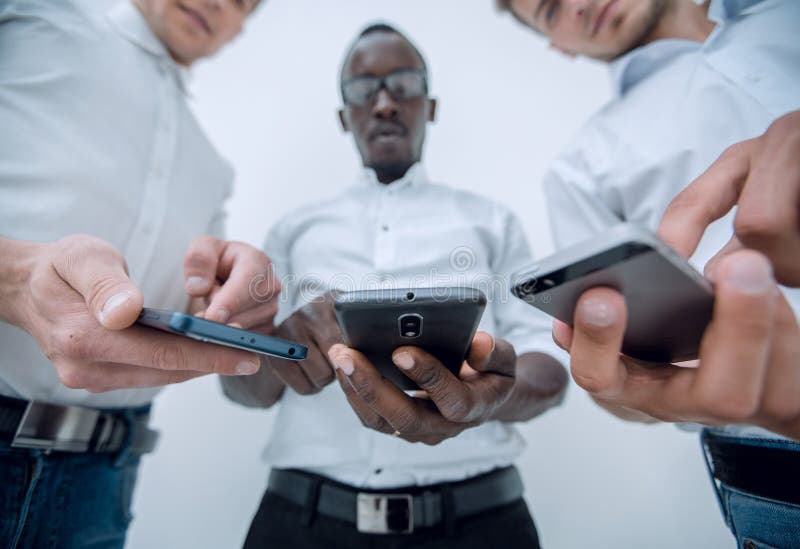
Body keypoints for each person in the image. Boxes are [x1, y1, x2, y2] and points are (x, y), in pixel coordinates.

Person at [221, 23, 568, 548]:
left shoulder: (493, 222)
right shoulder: (292, 231)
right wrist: (275, 351)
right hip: (300, 524)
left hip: (480, 525)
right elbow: (239, 387)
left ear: (430, 105)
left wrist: (488, 399)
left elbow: (551, 364)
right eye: (363, 90)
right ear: (345, 117)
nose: (384, 103)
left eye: (403, 84)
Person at [496, 0, 800, 545]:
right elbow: (616, 375)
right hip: (775, 465)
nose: (580, 5)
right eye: (550, 10)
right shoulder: (582, 165)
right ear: (558, 45)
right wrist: (627, 391)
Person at [0, 0, 279, 547]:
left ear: (240, 30)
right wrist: (12, 278)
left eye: (246, 2)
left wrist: (229, 300)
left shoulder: (213, 170)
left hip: (102, 488)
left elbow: (203, 297)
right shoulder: (27, 18)